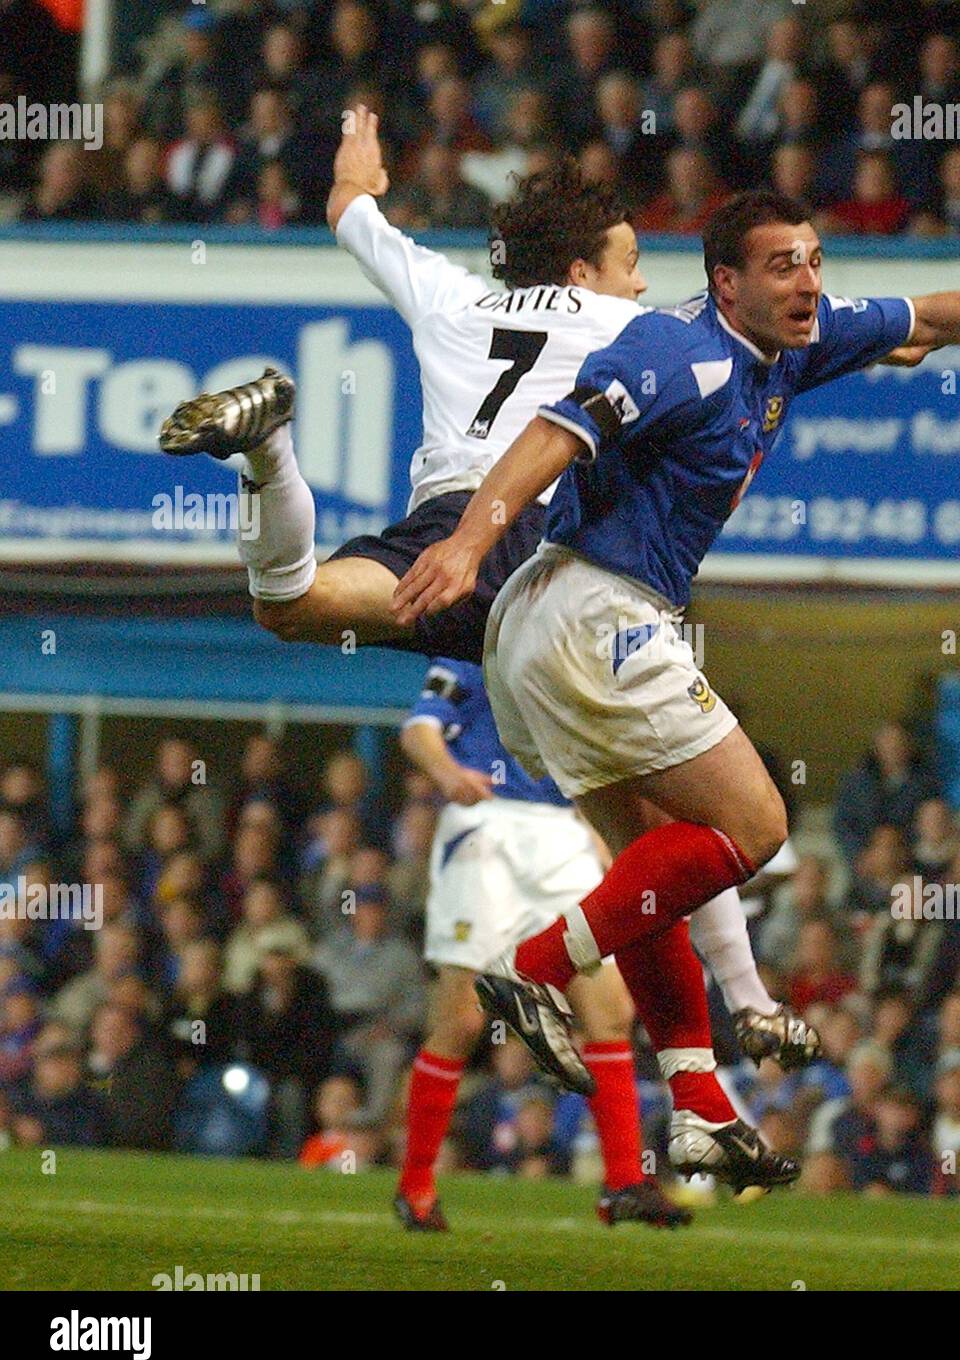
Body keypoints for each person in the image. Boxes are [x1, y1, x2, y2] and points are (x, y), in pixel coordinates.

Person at [390, 187, 960, 1184]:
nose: (808, 281)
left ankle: (699, 1103)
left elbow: (931, 315)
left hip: (550, 629)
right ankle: (532, 968)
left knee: (650, 883)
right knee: (755, 826)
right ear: (726, 283)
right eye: (782, 265)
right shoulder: (676, 352)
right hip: (592, 611)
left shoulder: (792, 339)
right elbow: (552, 436)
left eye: (814, 259)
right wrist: (463, 540)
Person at [158, 109, 817, 1089]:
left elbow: (349, 213)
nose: (643, 280)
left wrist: (359, 171)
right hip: (552, 556)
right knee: (673, 815)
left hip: (438, 539)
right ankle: (742, 1010)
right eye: (631, 260)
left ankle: (266, 452)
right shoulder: (646, 331)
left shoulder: (456, 299)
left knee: (290, 603)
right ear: (587, 271)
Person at [393, 655, 692, 1230]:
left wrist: (595, 828)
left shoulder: (570, 651)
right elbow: (420, 727)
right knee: (462, 1019)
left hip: (562, 833)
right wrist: (446, 773)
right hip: (487, 825)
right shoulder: (471, 647)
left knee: (610, 1009)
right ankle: (416, 1186)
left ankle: (623, 1182)